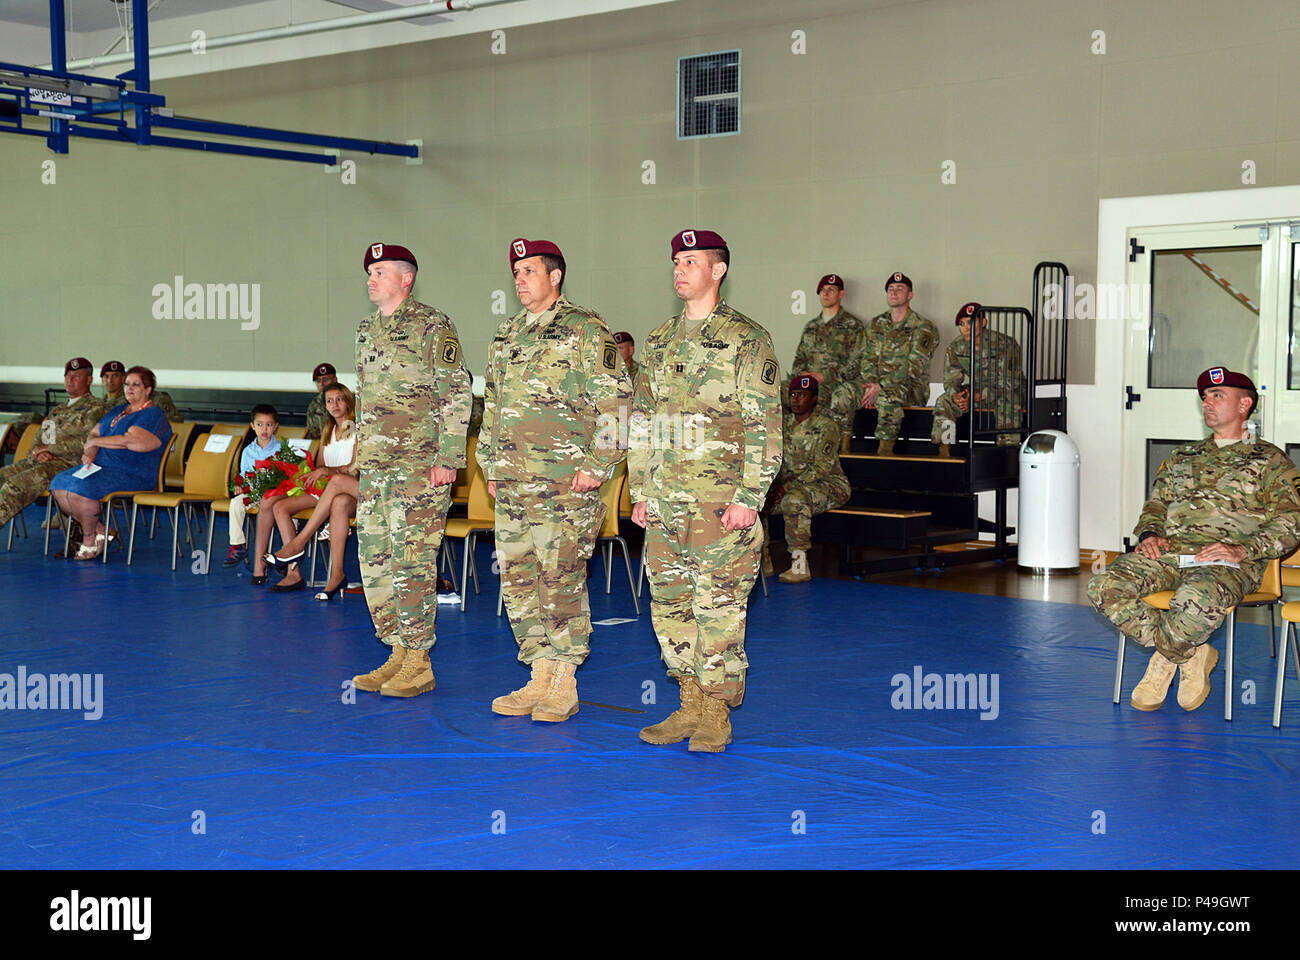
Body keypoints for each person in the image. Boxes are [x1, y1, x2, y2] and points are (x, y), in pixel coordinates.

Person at [628, 228, 782, 753]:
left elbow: (765, 427)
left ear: (718, 270)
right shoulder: (658, 340)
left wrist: (749, 498)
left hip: (721, 507)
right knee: (670, 608)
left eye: (692, 260)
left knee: (717, 612)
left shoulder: (747, 339)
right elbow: (645, 424)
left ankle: (716, 711)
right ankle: (688, 702)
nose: (680, 269)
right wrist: (641, 491)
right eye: (676, 260)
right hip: (667, 502)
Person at [1088, 367, 1300, 712]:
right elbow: (1156, 505)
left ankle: (1163, 662)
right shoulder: (1183, 457)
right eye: (1204, 397)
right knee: (1103, 585)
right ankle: (1191, 653)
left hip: (1229, 561)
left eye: (1218, 395)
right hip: (1171, 553)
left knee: (1194, 598)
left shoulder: (1270, 460)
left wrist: (1242, 549)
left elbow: (1292, 522)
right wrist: (1151, 534)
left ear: (1245, 404)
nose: (1207, 403)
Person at [480, 238, 631, 723]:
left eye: (529, 270)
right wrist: (490, 465)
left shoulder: (586, 330)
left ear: (556, 275)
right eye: (516, 271)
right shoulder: (506, 336)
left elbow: (619, 407)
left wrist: (596, 465)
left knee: (559, 577)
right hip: (512, 482)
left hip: (566, 485)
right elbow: (492, 410)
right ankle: (538, 672)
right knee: (520, 580)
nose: (520, 278)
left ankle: (563, 679)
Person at [350, 242, 471, 698]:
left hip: (420, 468)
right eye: (369, 271)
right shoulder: (366, 330)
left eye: (380, 270)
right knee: (376, 562)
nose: (371, 278)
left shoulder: (432, 325)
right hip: (377, 469)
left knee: (412, 562)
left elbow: (457, 392)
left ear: (406, 278)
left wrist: (448, 459)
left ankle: (419, 661)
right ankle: (397, 650)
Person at [49, 366, 172, 560]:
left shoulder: (153, 415)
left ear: (148, 390)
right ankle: (100, 529)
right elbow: (94, 433)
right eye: (127, 385)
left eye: (136, 385)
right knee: (59, 483)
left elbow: (132, 441)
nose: (129, 389)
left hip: (131, 472)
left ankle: (90, 539)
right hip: (100, 468)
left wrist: (96, 442)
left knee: (82, 487)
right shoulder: (118, 410)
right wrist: (90, 451)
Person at [265, 383, 359, 600]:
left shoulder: (355, 428)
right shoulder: (328, 430)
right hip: (331, 490)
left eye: (339, 399)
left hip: (352, 489)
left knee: (339, 492)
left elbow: (355, 468)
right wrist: (306, 473)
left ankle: (298, 543)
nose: (334, 405)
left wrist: (326, 472)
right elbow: (319, 466)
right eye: (329, 401)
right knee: (280, 507)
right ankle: (294, 572)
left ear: (348, 401)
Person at [0, 358, 108, 533]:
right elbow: (40, 439)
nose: (70, 380)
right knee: (2, 476)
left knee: (15, 485)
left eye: (76, 376)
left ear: (89, 380)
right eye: (67, 376)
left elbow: (89, 442)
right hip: (42, 463)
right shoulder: (57, 411)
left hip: (71, 466)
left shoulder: (96, 409)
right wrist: (38, 453)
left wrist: (50, 449)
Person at [840, 272, 938, 456]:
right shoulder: (877, 324)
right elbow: (867, 357)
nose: (894, 293)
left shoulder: (923, 327)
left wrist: (881, 386)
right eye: (890, 289)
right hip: (875, 386)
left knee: (886, 397)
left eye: (899, 289)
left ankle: (885, 453)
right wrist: (870, 385)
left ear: (910, 295)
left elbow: (915, 366)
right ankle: (844, 449)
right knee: (843, 392)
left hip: (909, 388)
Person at [765, 374, 850, 584]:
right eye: (793, 394)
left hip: (829, 484)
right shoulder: (782, 425)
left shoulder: (826, 426)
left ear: (814, 399)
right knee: (760, 499)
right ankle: (762, 558)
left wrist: (786, 488)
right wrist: (774, 486)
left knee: (793, 500)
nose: (795, 399)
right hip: (789, 486)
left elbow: (821, 467)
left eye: (802, 395)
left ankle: (800, 565)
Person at [929, 302, 1024, 456]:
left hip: (1005, 391)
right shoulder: (956, 347)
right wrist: (956, 395)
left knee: (1008, 402)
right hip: (976, 390)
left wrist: (978, 397)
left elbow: (1009, 381)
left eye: (971, 322)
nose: (966, 327)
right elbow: (952, 379)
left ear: (984, 322)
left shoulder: (1005, 344)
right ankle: (944, 450)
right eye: (962, 324)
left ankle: (1007, 453)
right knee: (944, 400)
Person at [787, 273, 863, 438]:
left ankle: (835, 445)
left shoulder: (853, 325)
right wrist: (802, 376)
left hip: (835, 383)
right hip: (809, 383)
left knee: (827, 397)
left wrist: (824, 376)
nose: (826, 294)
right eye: (822, 290)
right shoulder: (811, 327)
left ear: (841, 294)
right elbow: (799, 358)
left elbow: (856, 363)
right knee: (781, 392)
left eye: (831, 290)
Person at [221, 404, 282, 567]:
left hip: (274, 496)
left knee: (287, 509)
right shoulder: (248, 451)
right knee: (235, 503)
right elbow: (243, 475)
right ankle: (237, 545)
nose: (264, 429)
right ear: (252, 426)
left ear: (275, 426)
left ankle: (287, 552)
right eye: (260, 424)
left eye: (269, 425)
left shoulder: (281, 449)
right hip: (254, 494)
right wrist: (239, 485)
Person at [304, 362, 338, 440]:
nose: (322, 384)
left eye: (325, 379)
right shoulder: (315, 403)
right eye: (318, 381)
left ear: (335, 380)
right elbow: (311, 431)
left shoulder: (345, 400)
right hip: (319, 446)